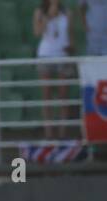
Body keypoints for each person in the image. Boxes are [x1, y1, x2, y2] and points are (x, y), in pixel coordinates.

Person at [34, 0, 74, 139]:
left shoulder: (67, 13)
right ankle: (49, 134)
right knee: (47, 95)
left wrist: (71, 50)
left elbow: (70, 34)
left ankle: (63, 134)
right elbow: (37, 32)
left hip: (63, 55)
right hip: (46, 55)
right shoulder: (39, 12)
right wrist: (47, 18)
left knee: (64, 95)